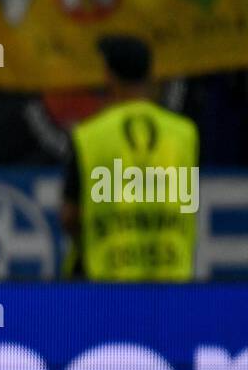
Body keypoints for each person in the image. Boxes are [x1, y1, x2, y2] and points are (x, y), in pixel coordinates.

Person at [61, 35, 200, 281]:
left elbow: (70, 215)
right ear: (149, 75)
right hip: (171, 276)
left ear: (108, 76)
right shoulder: (184, 133)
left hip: (109, 278)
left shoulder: (88, 135)